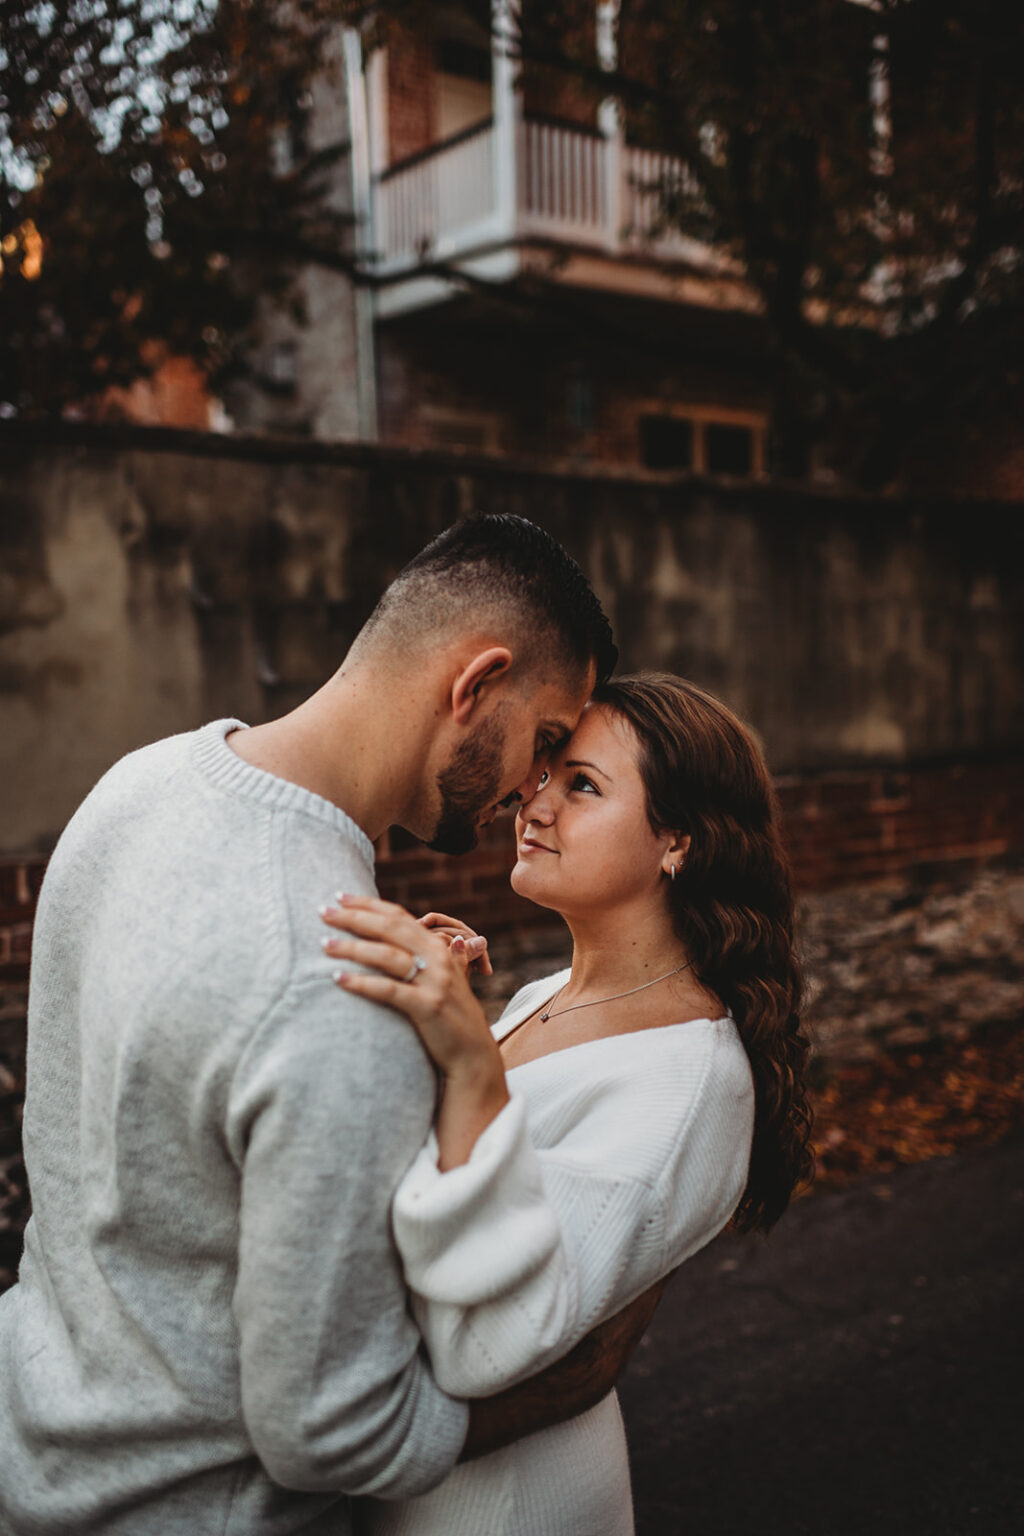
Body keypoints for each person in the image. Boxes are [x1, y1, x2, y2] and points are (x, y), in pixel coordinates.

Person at [0, 515, 635, 1536]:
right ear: (474, 686)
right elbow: (330, 1434)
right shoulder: (340, 983)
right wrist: (547, 1396)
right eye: (547, 739)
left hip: (36, 1447)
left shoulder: (141, 784)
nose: (532, 785)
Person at [318, 673, 814, 1536]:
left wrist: (469, 1062)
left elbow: (493, 1344)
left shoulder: (687, 1082)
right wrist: (447, 1032)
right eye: (543, 774)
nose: (533, 804)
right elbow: (472, 1177)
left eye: (582, 785)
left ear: (679, 843)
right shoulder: (549, 992)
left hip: (500, 1505)